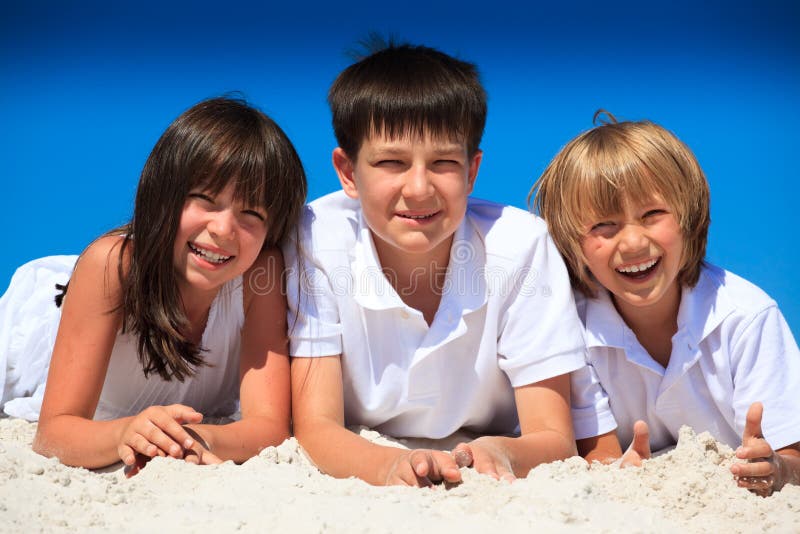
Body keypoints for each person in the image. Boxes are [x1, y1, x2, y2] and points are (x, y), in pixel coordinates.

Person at [285, 41, 590, 487]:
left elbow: (554, 437)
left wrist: (500, 449)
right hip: (368, 452)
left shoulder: (521, 246)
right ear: (348, 172)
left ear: (471, 172)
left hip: (482, 443)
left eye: (444, 162)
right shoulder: (316, 240)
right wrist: (389, 465)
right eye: (392, 162)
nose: (420, 188)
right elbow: (316, 427)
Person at [0, 97, 307, 475]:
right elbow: (53, 433)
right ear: (163, 194)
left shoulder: (260, 274)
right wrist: (124, 434)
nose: (224, 229)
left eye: (252, 214)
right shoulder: (111, 266)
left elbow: (269, 427)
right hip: (48, 322)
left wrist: (194, 440)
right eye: (205, 199)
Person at [531, 110, 800, 496]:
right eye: (603, 226)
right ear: (572, 243)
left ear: (689, 214)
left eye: (652, 214)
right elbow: (601, 455)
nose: (634, 243)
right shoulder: (573, 327)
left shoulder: (745, 317)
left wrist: (774, 467)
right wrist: (618, 472)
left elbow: (791, 458)